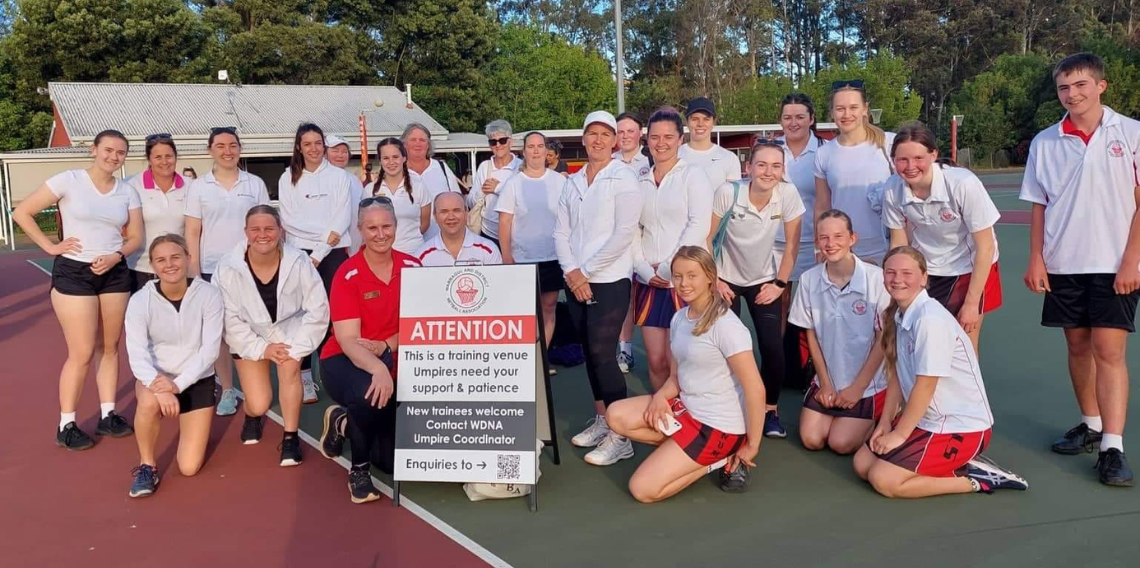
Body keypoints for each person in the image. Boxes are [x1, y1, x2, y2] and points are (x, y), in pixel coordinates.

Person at [1020, 52, 1140, 487]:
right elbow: (1039, 204)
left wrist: (1132, 259)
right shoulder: (1045, 141)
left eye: (1080, 85)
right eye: (1064, 88)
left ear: (1101, 86)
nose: (1072, 94)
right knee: (1077, 347)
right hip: (1064, 261)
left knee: (1109, 351)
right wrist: (1036, 257)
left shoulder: (1130, 133)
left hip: (1114, 264)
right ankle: (1090, 423)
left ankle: (1112, 445)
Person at [853, 246, 1029, 498]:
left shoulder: (930, 320)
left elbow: (926, 385)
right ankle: (948, 465)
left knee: (885, 480)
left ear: (924, 278)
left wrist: (900, 434)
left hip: (960, 426)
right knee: (862, 465)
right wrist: (884, 423)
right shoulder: (899, 315)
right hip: (926, 420)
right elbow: (897, 375)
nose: (897, 279)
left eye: (907, 273)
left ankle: (975, 479)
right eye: (890, 272)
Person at [13, 129, 142, 449]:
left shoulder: (127, 192)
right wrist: (51, 246)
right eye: (108, 150)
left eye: (121, 152)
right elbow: (22, 212)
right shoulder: (68, 180)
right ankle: (66, 423)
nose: (114, 157)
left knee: (110, 347)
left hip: (113, 273)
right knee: (82, 351)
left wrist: (116, 255)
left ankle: (108, 415)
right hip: (73, 274)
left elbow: (136, 237)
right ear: (94, 150)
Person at [606, 246, 765, 500]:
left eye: (692, 275)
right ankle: (685, 453)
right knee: (615, 415)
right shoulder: (680, 318)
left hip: (718, 427)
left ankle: (715, 459)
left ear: (710, 278)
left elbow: (755, 389)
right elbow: (675, 377)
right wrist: (660, 397)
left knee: (643, 489)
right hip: (687, 410)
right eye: (678, 276)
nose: (683, 283)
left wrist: (752, 446)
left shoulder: (727, 326)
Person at [319, 197, 423, 503]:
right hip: (345, 359)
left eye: (386, 226)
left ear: (395, 226)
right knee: (370, 393)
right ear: (360, 230)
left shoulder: (413, 267)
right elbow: (349, 340)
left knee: (392, 462)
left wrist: (387, 347)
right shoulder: (348, 274)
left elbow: (421, 325)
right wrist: (379, 368)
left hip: (393, 354)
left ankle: (342, 422)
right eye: (372, 227)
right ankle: (359, 471)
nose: (380, 234)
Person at [554, 110, 643, 466]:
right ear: (584, 138)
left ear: (616, 140)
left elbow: (623, 233)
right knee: (590, 354)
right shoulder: (572, 182)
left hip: (609, 281)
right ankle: (606, 420)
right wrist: (572, 272)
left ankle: (623, 437)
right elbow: (561, 232)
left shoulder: (624, 177)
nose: (599, 140)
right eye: (593, 133)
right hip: (576, 282)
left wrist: (584, 273)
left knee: (605, 356)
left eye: (606, 134)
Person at [214, 205, 329, 466]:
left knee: (290, 370)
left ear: (280, 230)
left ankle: (290, 437)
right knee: (259, 402)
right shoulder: (227, 267)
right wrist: (262, 349)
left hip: (290, 332)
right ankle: (252, 415)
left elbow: (318, 308)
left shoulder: (300, 261)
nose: (262, 235)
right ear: (245, 232)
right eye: (255, 229)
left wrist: (298, 347)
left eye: (269, 228)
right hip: (248, 335)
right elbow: (228, 318)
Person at [707, 140, 804, 439]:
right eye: (761, 164)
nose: (768, 171)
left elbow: (791, 246)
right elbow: (708, 240)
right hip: (725, 279)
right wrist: (715, 281)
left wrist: (778, 285)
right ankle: (728, 408)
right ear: (749, 167)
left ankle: (769, 410)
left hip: (764, 280)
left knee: (773, 349)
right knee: (726, 348)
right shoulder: (728, 193)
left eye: (776, 166)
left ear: (783, 170)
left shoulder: (787, 194)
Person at [884, 122, 1002, 352]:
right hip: (929, 270)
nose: (910, 167)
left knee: (963, 343)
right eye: (902, 160)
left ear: (934, 155)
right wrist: (897, 287)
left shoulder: (962, 183)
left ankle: (968, 389)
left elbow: (985, 247)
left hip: (969, 268)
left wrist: (970, 303)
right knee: (925, 341)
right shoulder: (892, 189)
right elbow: (899, 245)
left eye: (918, 158)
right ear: (893, 160)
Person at [124, 235, 222, 497]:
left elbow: (210, 350)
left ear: (189, 258)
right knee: (147, 403)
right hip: (156, 379)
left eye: (176, 257)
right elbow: (136, 353)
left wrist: (177, 385)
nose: (169, 264)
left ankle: (206, 403)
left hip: (197, 378)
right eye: (161, 260)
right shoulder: (139, 301)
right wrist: (161, 388)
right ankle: (147, 465)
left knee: (189, 467)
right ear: (153, 266)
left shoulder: (209, 294)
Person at [184, 127, 270, 417]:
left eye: (233, 145)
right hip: (211, 270)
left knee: (254, 327)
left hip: (251, 268)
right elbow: (192, 231)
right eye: (220, 146)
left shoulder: (255, 183)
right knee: (220, 333)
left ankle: (256, 385)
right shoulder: (199, 187)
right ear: (211, 151)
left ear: (240, 149)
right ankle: (229, 389)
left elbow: (264, 226)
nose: (227, 151)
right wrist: (194, 272)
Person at [789, 210, 889, 454]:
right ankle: (829, 398)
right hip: (829, 381)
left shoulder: (877, 280)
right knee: (812, 439)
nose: (830, 244)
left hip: (867, 384)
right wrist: (824, 383)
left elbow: (884, 338)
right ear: (817, 242)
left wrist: (857, 388)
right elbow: (810, 333)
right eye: (824, 237)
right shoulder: (809, 280)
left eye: (838, 236)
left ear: (852, 239)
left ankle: (886, 409)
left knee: (840, 444)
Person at [630, 108, 713, 391]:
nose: (661, 143)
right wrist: (642, 268)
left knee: (683, 359)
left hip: (683, 280)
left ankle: (690, 420)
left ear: (680, 139)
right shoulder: (637, 178)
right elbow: (631, 228)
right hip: (648, 281)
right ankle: (662, 420)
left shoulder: (694, 176)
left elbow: (698, 225)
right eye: (655, 137)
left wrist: (668, 269)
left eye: (668, 136)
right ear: (647, 140)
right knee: (656, 360)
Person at [278, 123, 353, 404]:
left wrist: (320, 252)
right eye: (307, 143)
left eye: (318, 143)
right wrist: (322, 236)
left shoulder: (339, 177)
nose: (313, 148)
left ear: (324, 145)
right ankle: (306, 378)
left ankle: (335, 375)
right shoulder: (288, 178)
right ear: (299, 147)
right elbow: (290, 220)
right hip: (300, 255)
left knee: (336, 316)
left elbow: (342, 218)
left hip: (331, 255)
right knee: (303, 316)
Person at [814, 80, 895, 261]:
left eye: (853, 107)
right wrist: (819, 247)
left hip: (885, 248)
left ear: (865, 109)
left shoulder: (889, 144)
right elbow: (822, 206)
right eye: (840, 108)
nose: (847, 114)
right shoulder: (824, 153)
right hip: (842, 250)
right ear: (832, 112)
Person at [496, 132, 563, 350]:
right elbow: (505, 222)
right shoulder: (513, 184)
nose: (536, 151)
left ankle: (541, 357)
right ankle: (524, 356)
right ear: (523, 151)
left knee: (549, 306)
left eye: (540, 146)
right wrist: (507, 256)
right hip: (522, 259)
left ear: (547, 151)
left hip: (553, 256)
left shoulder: (560, 181)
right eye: (531, 146)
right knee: (524, 310)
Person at [775, 93, 823, 393]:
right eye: (787, 117)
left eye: (799, 117)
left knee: (813, 307)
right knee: (778, 305)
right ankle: (781, 365)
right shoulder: (771, 150)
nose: (793, 122)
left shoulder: (824, 152)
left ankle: (817, 367)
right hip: (775, 242)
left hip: (813, 244)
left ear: (811, 119)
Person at [125, 134, 188, 293]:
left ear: (176, 157)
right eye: (158, 157)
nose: (164, 161)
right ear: (149, 159)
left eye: (169, 156)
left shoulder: (192, 186)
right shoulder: (131, 186)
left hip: (177, 269)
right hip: (140, 268)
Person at [614, 112, 652, 375]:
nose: (625, 136)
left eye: (630, 131)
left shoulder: (651, 160)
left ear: (641, 133)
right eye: (620, 131)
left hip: (648, 237)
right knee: (624, 296)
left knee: (654, 293)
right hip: (618, 240)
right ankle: (625, 348)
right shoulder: (609, 161)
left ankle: (663, 351)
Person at [365, 138, 429, 255]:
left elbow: (424, 224)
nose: (391, 162)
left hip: (414, 253)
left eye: (395, 157)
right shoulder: (370, 190)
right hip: (381, 255)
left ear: (404, 158)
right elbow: (366, 225)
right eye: (386, 158)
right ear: (380, 161)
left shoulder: (419, 186)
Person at [403, 122, 461, 241]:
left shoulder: (442, 168)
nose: (417, 144)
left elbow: (458, 200)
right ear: (404, 144)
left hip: (442, 240)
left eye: (422, 140)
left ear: (428, 145)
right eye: (413, 139)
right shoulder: (397, 172)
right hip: (407, 243)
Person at [468, 119, 522, 246]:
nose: (498, 145)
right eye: (493, 142)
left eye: (502, 140)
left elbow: (523, 200)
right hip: (488, 235)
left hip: (516, 234)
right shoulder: (484, 167)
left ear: (510, 142)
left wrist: (497, 188)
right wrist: (483, 191)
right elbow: (470, 202)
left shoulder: (521, 167)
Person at [417, 192, 502, 267]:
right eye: (444, 211)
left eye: (456, 210)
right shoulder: (422, 255)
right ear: (435, 216)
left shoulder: (489, 250)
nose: (451, 217)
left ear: (466, 213)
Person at [679, 97, 741, 189]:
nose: (700, 124)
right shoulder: (674, 156)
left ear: (714, 122)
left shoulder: (729, 159)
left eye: (706, 119)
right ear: (687, 122)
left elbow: (732, 199)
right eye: (695, 119)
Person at [325, 135, 366, 254]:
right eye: (335, 151)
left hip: (354, 245)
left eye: (344, 151)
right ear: (324, 153)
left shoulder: (355, 180)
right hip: (329, 246)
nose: (340, 155)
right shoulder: (320, 180)